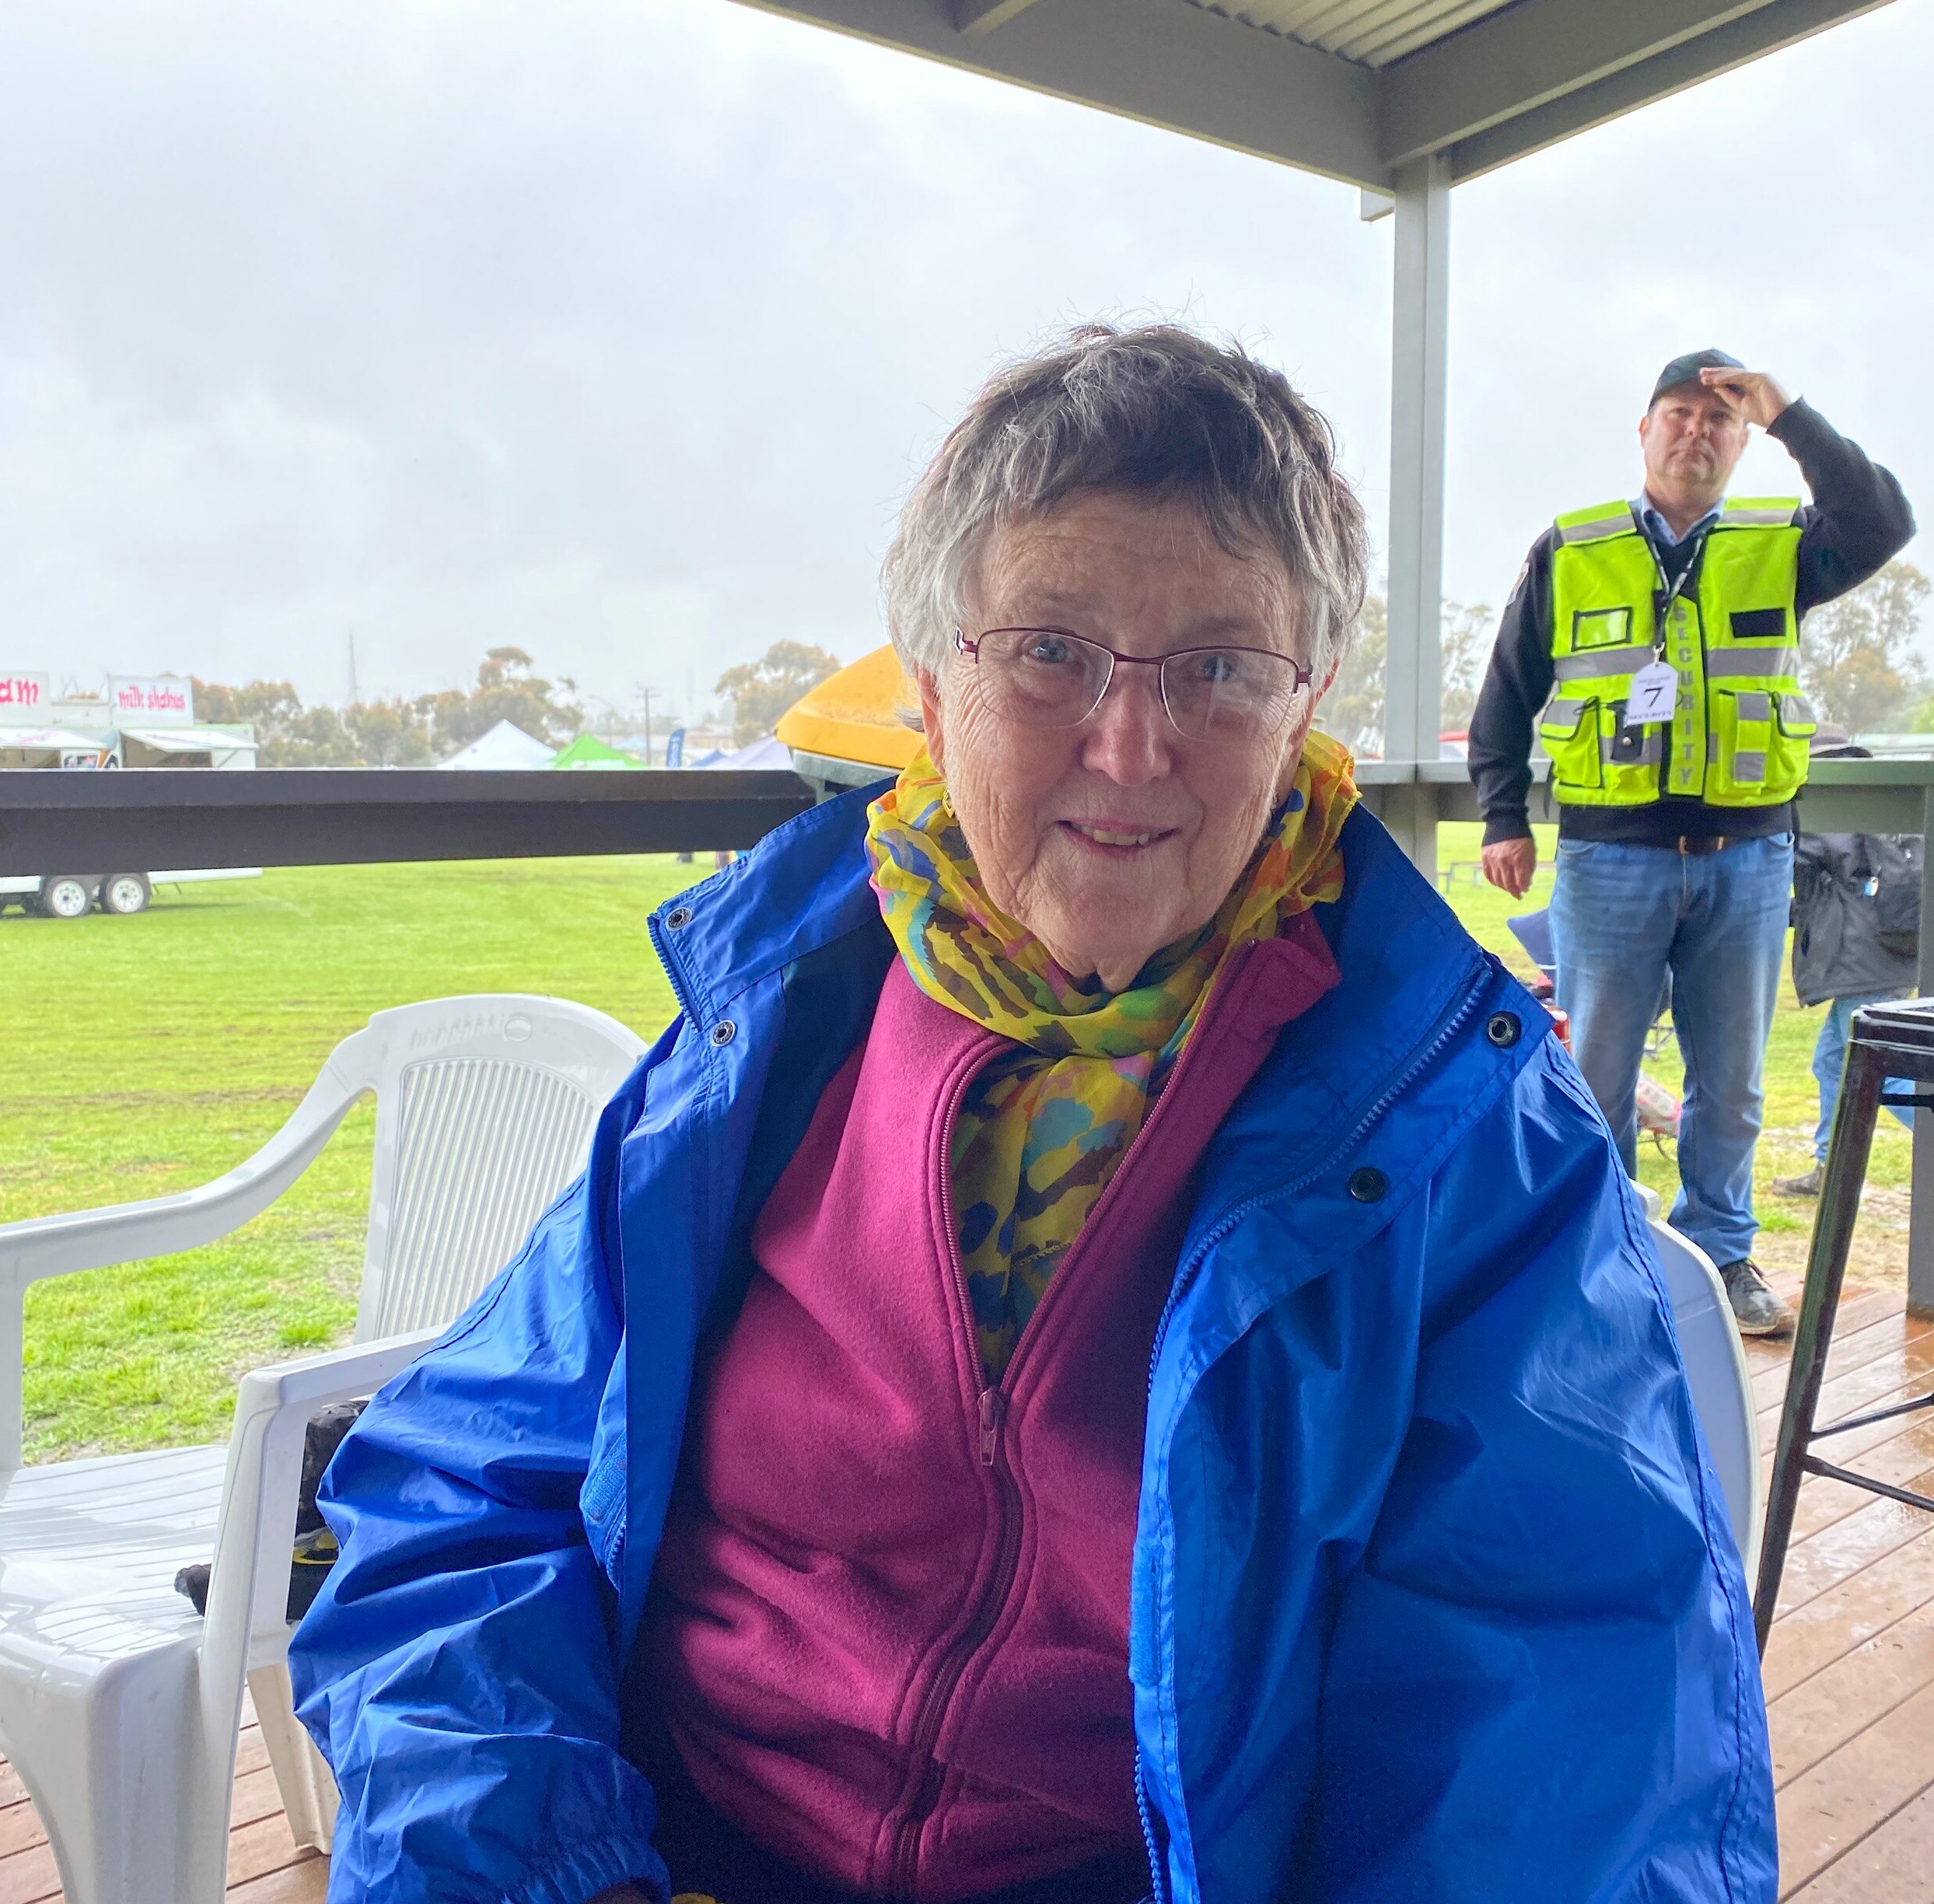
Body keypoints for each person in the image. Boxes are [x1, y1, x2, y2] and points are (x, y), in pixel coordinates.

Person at [289, 326, 1775, 1904]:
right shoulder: (765, 1041)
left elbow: (1566, 1754)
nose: (1131, 750)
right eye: (1051, 650)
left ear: (1307, 705)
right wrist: (555, 1873)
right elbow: (463, 1489)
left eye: (1218, 667)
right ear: (932, 685)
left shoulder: (1461, 1142)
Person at [1468, 348, 1915, 1337]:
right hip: (1606, 859)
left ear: (1743, 439)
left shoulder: (1783, 543)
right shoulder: (1572, 548)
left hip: (1746, 860)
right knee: (1600, 1077)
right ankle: (1601, 1249)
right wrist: (1504, 814)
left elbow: (1886, 523)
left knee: (1733, 1081)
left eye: (1720, 418)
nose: (1696, 431)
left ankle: (1719, 1252)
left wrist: (1790, 412)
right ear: (1644, 430)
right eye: (1677, 413)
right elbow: (1505, 691)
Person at [1771, 825, 1919, 1199]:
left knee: (1884, 1071)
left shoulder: (1829, 824)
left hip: (1862, 965)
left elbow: (1773, 862)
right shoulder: (1877, 820)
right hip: (1887, 956)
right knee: (1834, 1064)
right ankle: (1829, 1168)